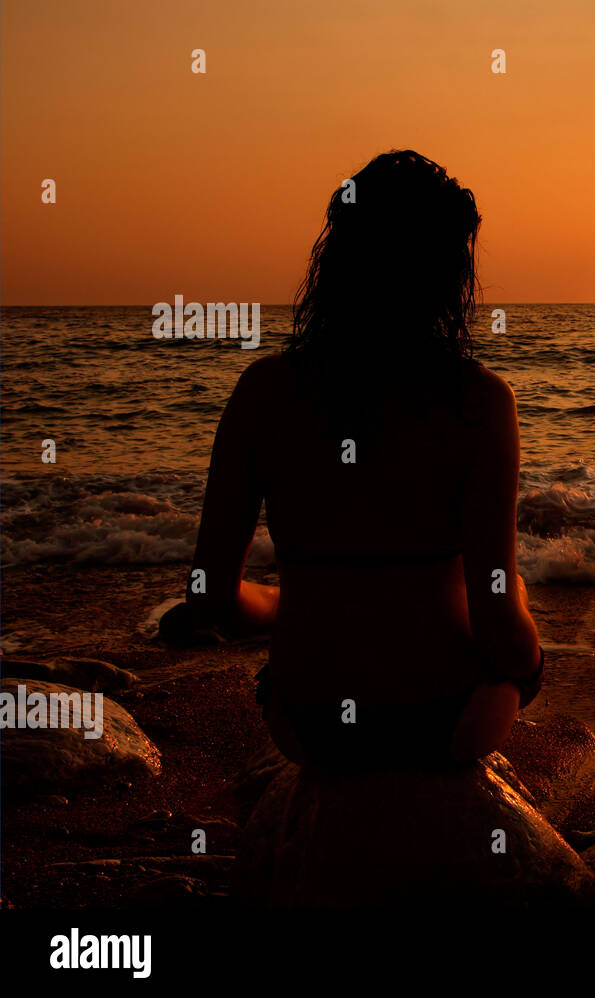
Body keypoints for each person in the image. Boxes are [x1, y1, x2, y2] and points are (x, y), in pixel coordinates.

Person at [165, 149, 543, 773]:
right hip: (443, 720)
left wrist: (295, 598)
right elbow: (498, 620)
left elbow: (208, 600)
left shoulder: (263, 392)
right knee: (516, 595)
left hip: (307, 725)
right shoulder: (479, 400)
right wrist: (533, 670)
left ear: (336, 258)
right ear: (449, 272)